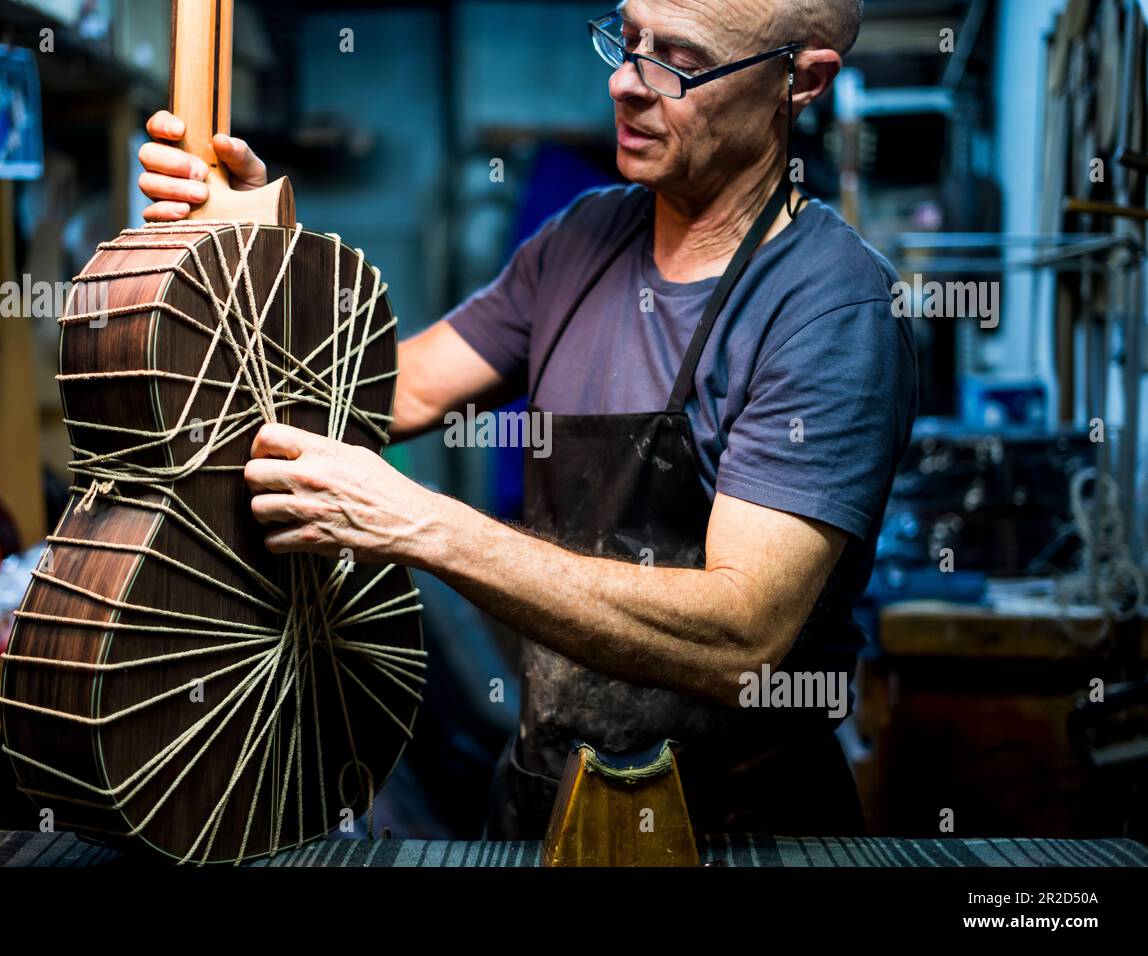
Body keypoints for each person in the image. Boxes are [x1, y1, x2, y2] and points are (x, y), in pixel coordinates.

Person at [136, 0, 916, 840]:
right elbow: (375, 392)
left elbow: (741, 638)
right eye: (628, 39)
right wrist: (260, 241)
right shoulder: (579, 241)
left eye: (678, 61)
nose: (625, 83)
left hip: (734, 830)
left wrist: (421, 526)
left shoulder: (831, 308)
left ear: (800, 81)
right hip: (547, 805)